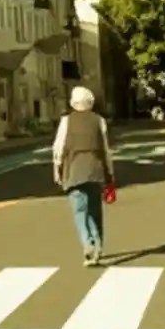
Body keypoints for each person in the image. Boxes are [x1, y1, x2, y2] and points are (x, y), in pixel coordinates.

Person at [52, 86, 116, 266]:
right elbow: (105, 149)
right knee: (95, 211)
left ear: (73, 103)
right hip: (96, 170)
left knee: (80, 211)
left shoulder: (66, 121)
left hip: (73, 170)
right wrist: (110, 173)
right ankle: (98, 246)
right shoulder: (99, 121)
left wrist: (57, 169)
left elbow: (58, 148)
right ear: (91, 103)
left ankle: (87, 244)